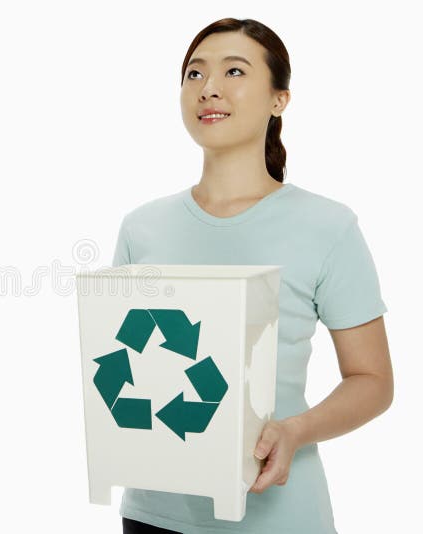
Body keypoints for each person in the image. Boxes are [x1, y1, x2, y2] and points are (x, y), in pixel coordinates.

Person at [112, 18, 393, 534]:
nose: (209, 88)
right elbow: (126, 358)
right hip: (153, 515)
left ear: (279, 99)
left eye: (233, 71)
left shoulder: (328, 226)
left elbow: (373, 381)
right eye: (193, 74)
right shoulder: (142, 227)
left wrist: (295, 430)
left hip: (279, 516)